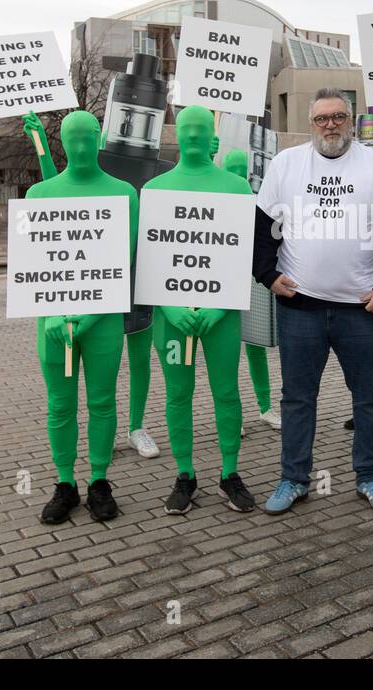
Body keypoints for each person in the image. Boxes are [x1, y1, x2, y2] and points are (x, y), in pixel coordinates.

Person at [254, 87, 373, 516]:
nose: (330, 125)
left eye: (338, 116)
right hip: (301, 307)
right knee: (297, 399)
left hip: (363, 309)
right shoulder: (286, 165)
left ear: (351, 121)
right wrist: (267, 275)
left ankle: (370, 477)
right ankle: (294, 479)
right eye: (321, 118)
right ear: (310, 123)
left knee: (371, 398)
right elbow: (262, 227)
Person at [23, 111, 161, 461]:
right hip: (53, 322)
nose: (81, 146)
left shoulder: (124, 192)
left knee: (102, 401)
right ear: (63, 142)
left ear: (99, 138)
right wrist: (53, 313)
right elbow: (35, 263)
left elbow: (123, 259)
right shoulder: (38, 194)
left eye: (88, 137)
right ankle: (65, 482)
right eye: (74, 138)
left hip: (104, 320)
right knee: (59, 404)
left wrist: (90, 310)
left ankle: (100, 480)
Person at [143, 105, 256, 515]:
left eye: (200, 128)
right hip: (172, 318)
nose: (192, 134)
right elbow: (150, 255)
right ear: (176, 133)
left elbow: (241, 255)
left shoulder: (235, 188)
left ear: (211, 134)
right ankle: (185, 474)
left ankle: (230, 472)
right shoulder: (155, 189)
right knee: (178, 394)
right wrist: (169, 306)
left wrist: (219, 303)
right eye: (185, 128)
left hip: (219, 316)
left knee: (226, 391)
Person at [222, 149, 281, 433]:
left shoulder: (263, 205)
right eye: (232, 169)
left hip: (253, 281)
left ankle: (265, 406)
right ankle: (232, 411)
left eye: (243, 171)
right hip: (224, 282)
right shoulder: (219, 201)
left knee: (256, 346)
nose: (238, 176)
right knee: (227, 350)